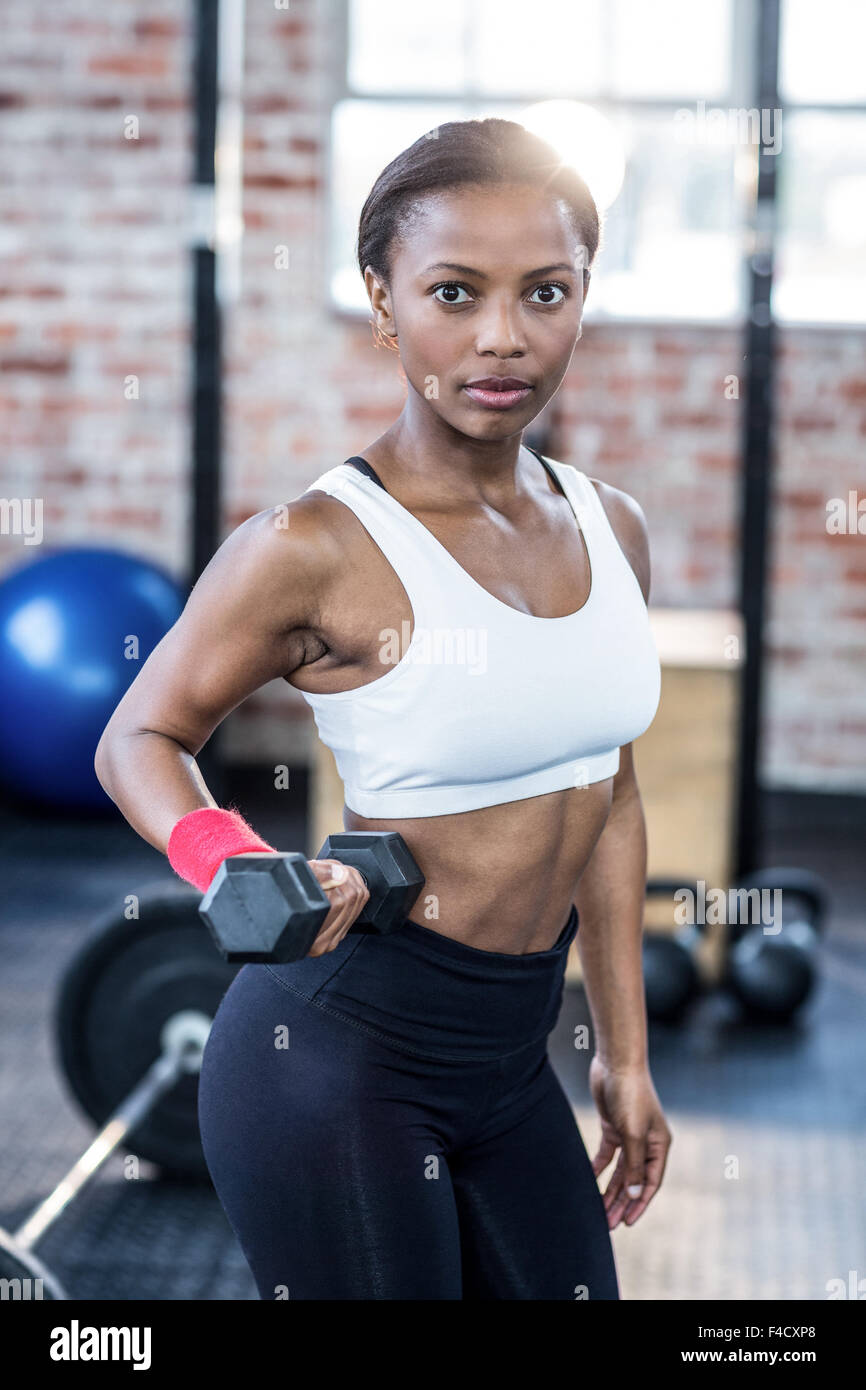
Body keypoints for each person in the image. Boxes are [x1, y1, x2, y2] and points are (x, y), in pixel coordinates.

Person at [95, 117, 672, 1301]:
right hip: (337, 1049)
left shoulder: (612, 527)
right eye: (452, 294)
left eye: (543, 292)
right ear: (382, 300)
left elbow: (608, 795)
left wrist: (621, 1050)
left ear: (582, 297)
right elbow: (137, 736)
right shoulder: (312, 544)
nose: (501, 337)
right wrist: (237, 865)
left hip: (512, 1058)